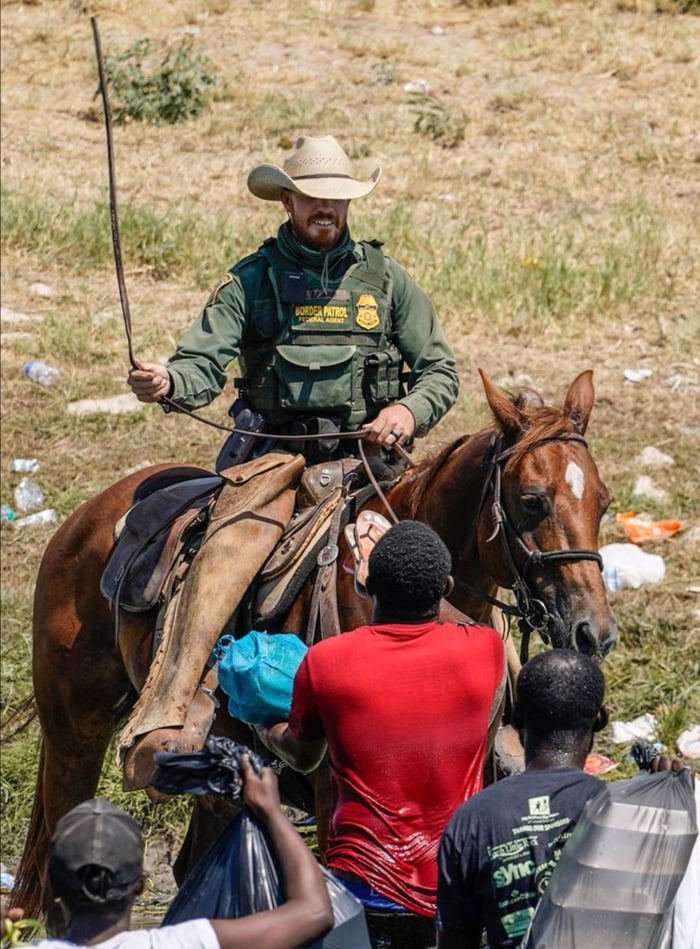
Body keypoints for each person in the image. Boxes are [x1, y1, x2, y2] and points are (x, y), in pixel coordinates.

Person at [127, 134, 459, 467]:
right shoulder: (250, 280)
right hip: (270, 457)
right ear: (288, 200)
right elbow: (201, 360)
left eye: (337, 197)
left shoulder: (386, 278)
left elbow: (439, 370)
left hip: (371, 458)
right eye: (312, 196)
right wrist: (169, 382)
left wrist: (409, 411)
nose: (325, 207)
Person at [258, 520, 506, 949]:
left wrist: (263, 726)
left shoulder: (327, 660)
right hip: (456, 889)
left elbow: (301, 756)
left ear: (370, 583)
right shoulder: (485, 648)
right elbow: (459, 619)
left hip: (362, 888)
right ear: (445, 586)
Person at [29, 755, 333, 948]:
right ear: (140, 885)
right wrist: (271, 811)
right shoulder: (183, 941)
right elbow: (315, 913)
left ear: (52, 882)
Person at [436, 649, 609, 949]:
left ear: (515, 718)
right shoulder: (621, 810)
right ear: (601, 719)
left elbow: (455, 939)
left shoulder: (474, 818)